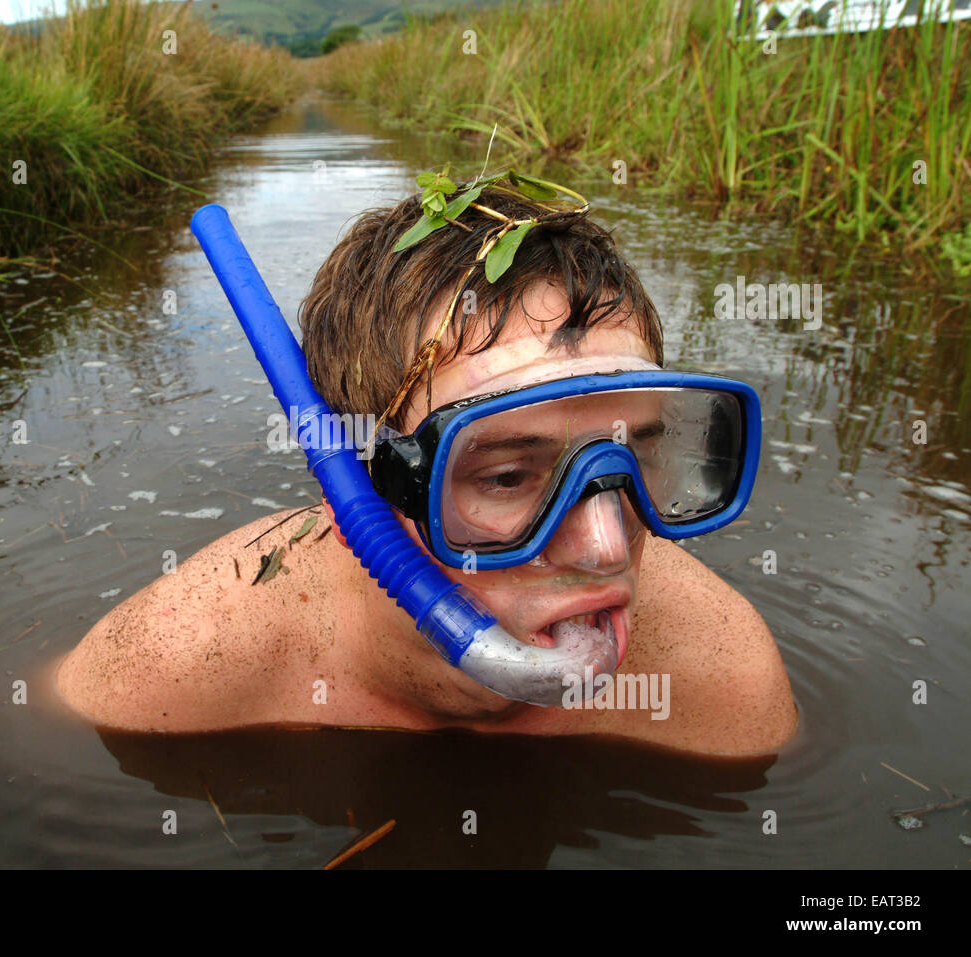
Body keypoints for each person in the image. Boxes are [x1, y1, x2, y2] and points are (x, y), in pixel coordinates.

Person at [56, 181, 798, 756]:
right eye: (508, 477)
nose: (606, 547)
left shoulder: (717, 681)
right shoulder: (177, 670)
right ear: (356, 508)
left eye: (635, 453)